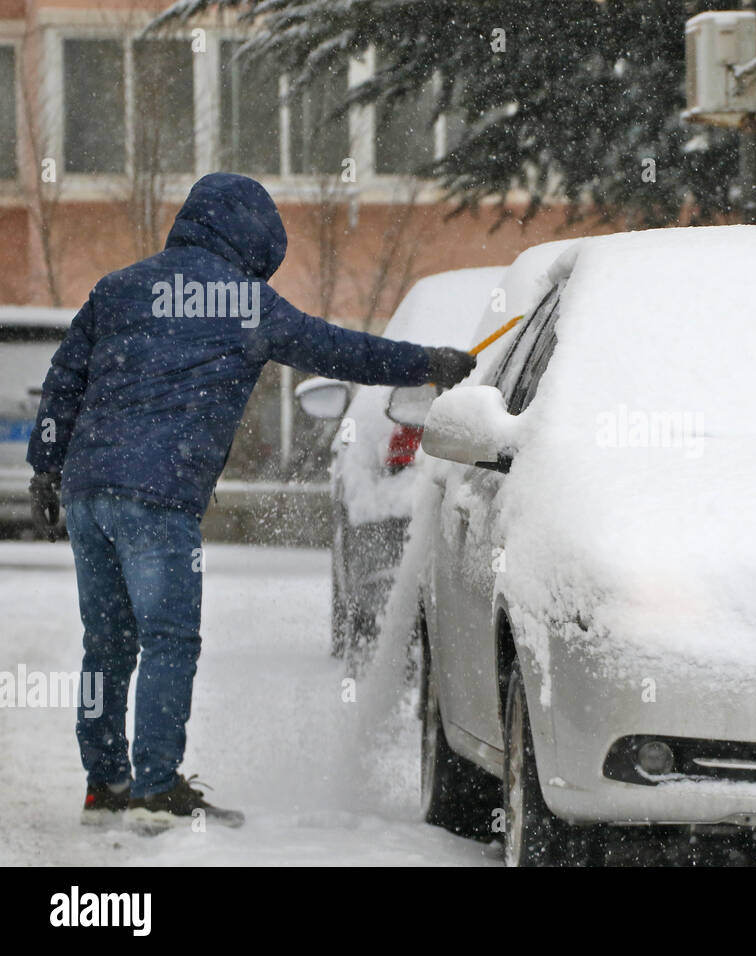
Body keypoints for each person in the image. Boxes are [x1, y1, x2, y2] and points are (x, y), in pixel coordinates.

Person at [26, 173, 475, 833]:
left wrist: (45, 464)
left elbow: (63, 377)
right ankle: (153, 786)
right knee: (167, 639)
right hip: (160, 495)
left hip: (89, 491)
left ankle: (106, 783)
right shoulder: (243, 303)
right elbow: (340, 349)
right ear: (249, 238)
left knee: (108, 644)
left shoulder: (117, 289)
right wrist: (428, 363)